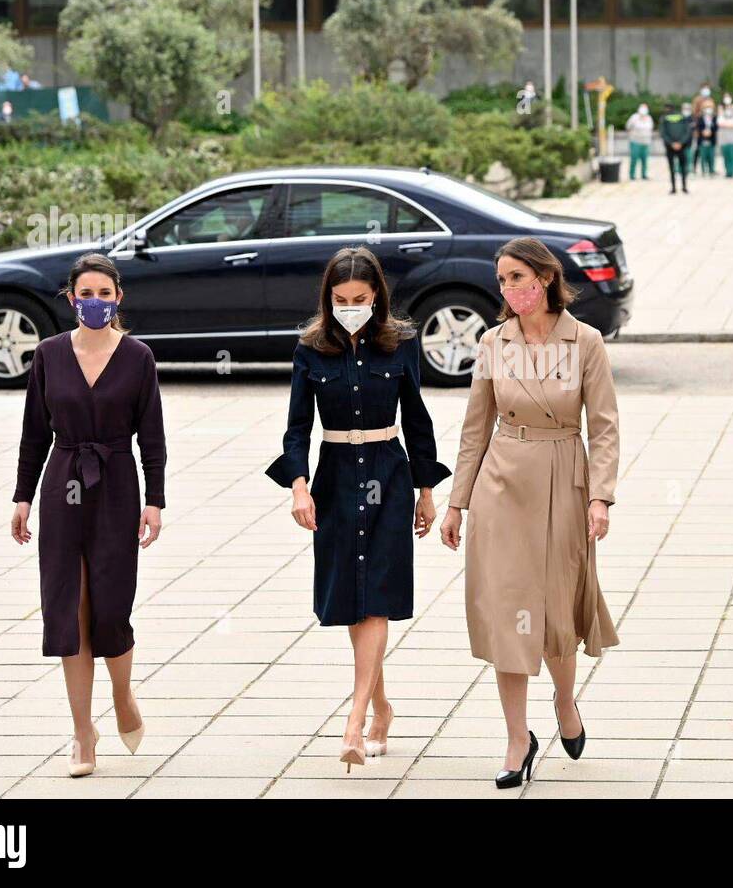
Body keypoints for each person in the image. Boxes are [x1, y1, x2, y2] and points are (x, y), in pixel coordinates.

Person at [441, 237, 620, 789]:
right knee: (507, 610)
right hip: (502, 483)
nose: (507, 289)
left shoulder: (585, 340)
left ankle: (566, 703)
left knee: (557, 608)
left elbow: (605, 425)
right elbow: (475, 427)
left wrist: (600, 496)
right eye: (501, 280)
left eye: (516, 277)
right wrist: (456, 502)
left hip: (563, 475)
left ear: (543, 279)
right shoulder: (493, 342)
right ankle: (517, 738)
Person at [266, 246, 451, 772]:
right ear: (328, 298)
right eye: (341, 299)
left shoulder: (400, 344)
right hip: (336, 477)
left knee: (378, 596)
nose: (350, 306)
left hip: (388, 475)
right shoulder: (309, 349)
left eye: (361, 299)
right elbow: (297, 426)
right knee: (352, 594)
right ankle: (382, 705)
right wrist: (298, 486)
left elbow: (417, 419)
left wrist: (426, 490)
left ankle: (355, 716)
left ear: (377, 298)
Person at [10, 253, 165, 778]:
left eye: (104, 293)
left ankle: (122, 694)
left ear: (118, 298)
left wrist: (155, 500)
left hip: (118, 484)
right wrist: (22, 496)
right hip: (62, 484)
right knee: (68, 609)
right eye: (85, 293)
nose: (94, 302)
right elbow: (34, 433)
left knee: (110, 608)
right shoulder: (49, 354)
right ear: (70, 297)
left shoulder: (139, 356)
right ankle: (82, 733)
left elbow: (153, 438)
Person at [661, 102, 693, 195]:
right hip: (681, 146)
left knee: (672, 168)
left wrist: (671, 143)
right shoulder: (682, 117)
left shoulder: (664, 118)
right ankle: (684, 187)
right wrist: (680, 142)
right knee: (683, 167)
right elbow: (687, 131)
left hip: (670, 147)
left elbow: (663, 133)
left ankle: (674, 188)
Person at [625, 103, 654, 181]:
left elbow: (650, 129)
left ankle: (644, 174)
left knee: (645, 160)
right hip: (635, 141)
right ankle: (632, 175)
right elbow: (628, 127)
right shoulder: (634, 117)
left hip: (646, 142)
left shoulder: (649, 118)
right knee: (634, 159)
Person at [695, 102, 718, 176]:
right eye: (706, 107)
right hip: (702, 140)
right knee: (703, 156)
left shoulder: (714, 118)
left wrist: (711, 131)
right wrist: (703, 132)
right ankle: (703, 171)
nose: (708, 109)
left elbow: (716, 127)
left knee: (711, 156)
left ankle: (711, 170)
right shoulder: (700, 117)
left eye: (709, 107)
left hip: (711, 139)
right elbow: (698, 127)